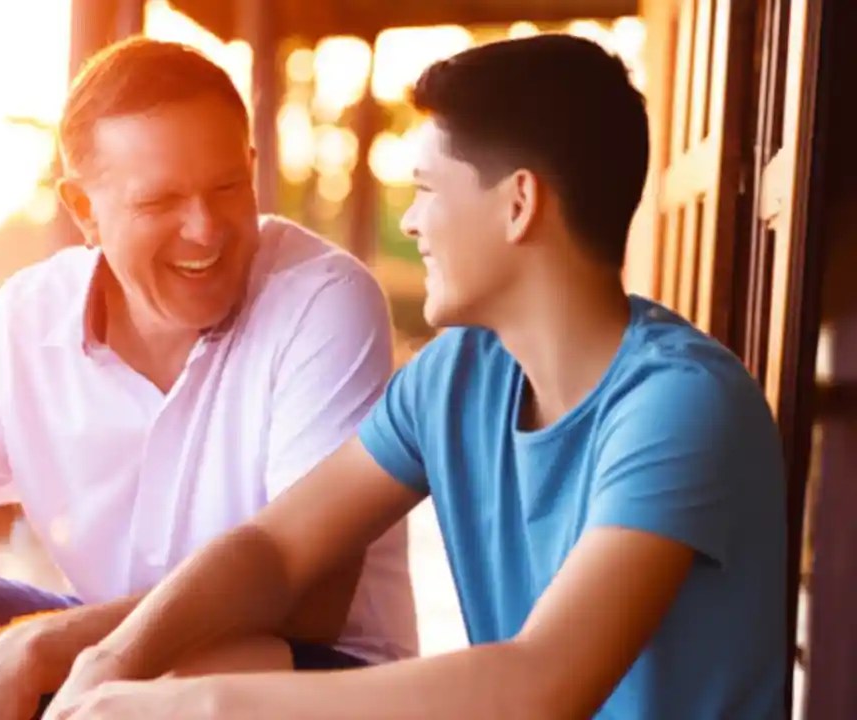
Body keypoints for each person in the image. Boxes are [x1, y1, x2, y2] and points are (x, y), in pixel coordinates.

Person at [46, 35, 787, 720]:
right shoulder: (458, 377)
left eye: (428, 189)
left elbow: (543, 682)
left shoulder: (680, 404)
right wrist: (112, 658)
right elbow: (273, 552)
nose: (411, 223)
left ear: (519, 204)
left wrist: (199, 708)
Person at [0, 38, 418, 720]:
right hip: (112, 655)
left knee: (167, 669)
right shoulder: (29, 317)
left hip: (314, 675)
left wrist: (42, 648)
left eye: (227, 187)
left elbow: (310, 602)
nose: (206, 230)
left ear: (251, 168)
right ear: (83, 211)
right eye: (161, 203)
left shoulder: (322, 298)